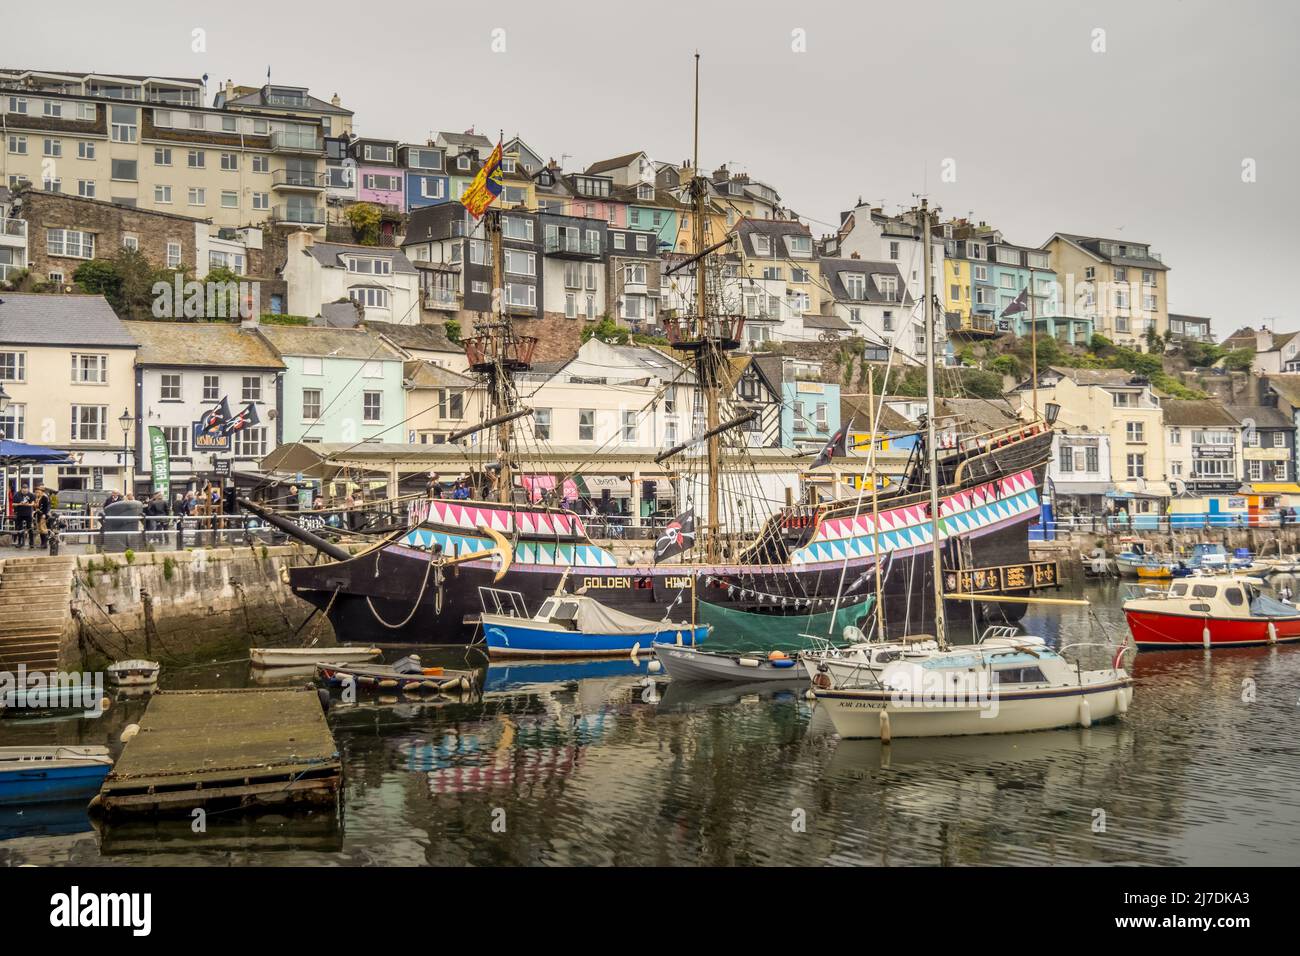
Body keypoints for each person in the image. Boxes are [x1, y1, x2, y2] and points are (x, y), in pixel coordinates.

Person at [12, 484, 35, 549]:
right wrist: (20, 503)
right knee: (20, 528)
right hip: (19, 513)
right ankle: (20, 542)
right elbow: (13, 504)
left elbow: (33, 504)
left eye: (26, 489)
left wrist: (28, 504)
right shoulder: (17, 494)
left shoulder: (31, 495)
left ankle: (31, 543)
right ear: (21, 489)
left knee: (30, 528)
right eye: (23, 489)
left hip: (28, 513)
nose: (25, 490)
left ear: (28, 489)